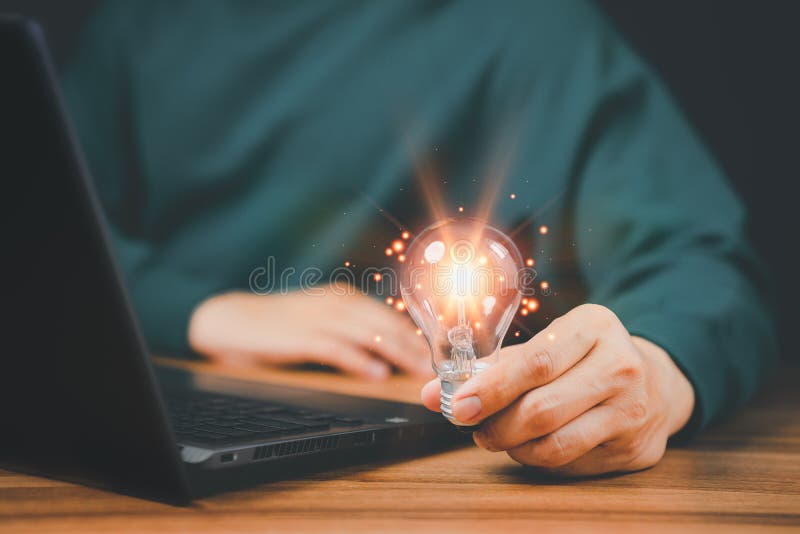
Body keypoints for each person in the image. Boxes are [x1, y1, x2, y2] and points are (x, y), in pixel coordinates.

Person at [62, 0, 777, 476]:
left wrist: (652, 375)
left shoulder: (534, 31)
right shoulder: (138, 25)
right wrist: (198, 312)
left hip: (439, 464)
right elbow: (37, 234)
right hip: (153, 424)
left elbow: (703, 267)